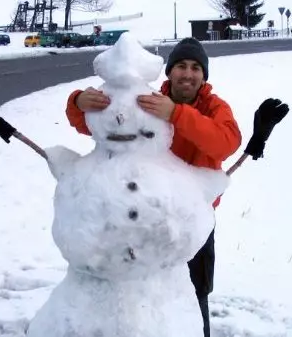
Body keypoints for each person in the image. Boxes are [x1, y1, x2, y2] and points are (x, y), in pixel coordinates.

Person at [65, 37, 242, 337]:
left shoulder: (214, 106)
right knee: (143, 289)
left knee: (195, 291)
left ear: (203, 75)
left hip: (192, 217)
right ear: (169, 72)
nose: (188, 74)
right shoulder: (146, 99)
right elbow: (99, 125)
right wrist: (78, 103)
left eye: (196, 68)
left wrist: (175, 114)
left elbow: (226, 143)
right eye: (181, 66)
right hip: (147, 216)